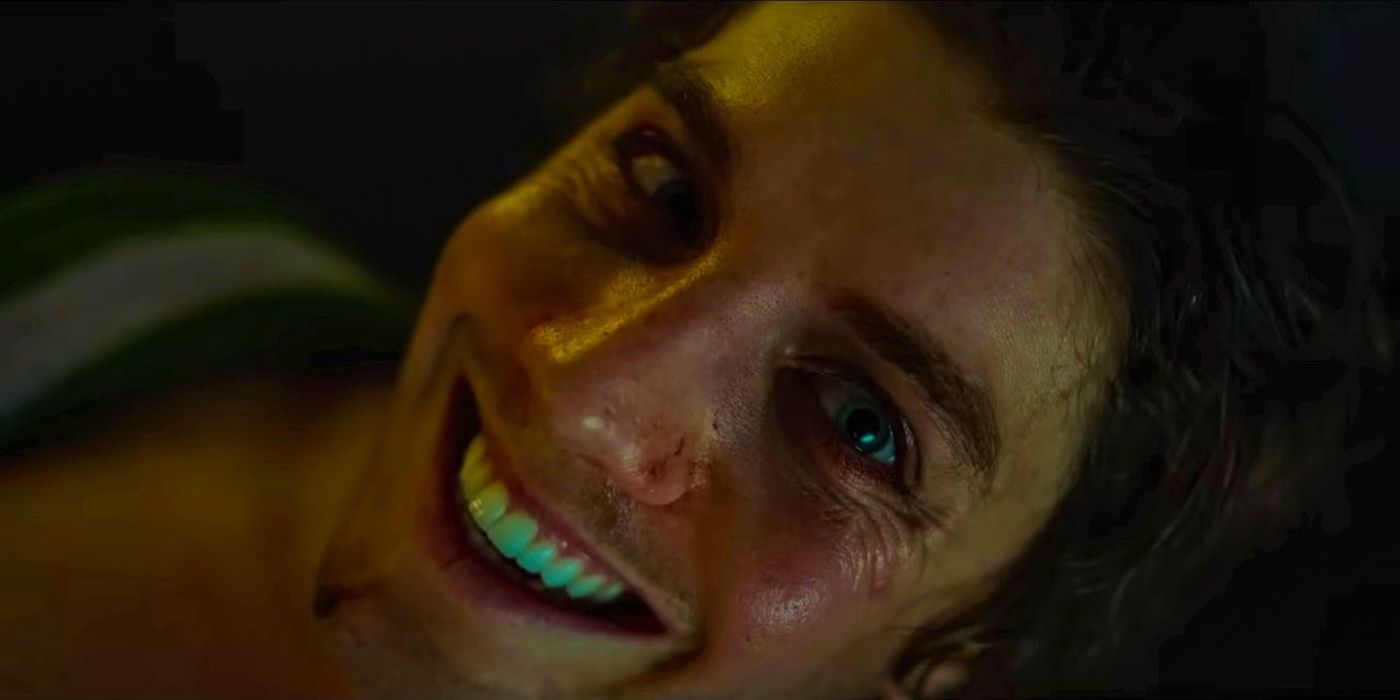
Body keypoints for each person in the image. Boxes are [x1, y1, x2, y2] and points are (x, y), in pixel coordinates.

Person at [0, 2, 1389, 698]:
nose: (589, 391)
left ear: (963, 654)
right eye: (665, 193)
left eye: (857, 425)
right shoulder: (149, 267)